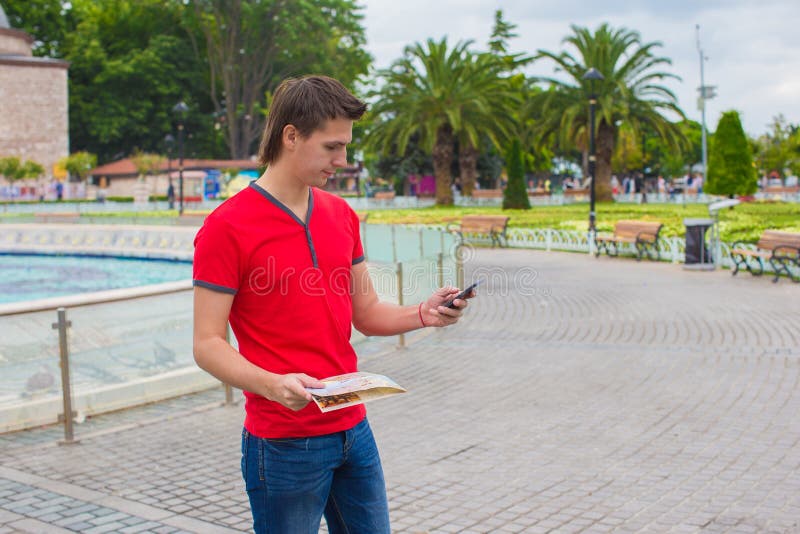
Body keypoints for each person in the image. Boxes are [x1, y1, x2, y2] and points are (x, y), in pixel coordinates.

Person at [192, 75, 471, 534]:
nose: (342, 161)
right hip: (283, 442)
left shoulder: (341, 215)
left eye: (346, 148)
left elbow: (366, 313)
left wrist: (423, 313)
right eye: (332, 147)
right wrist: (271, 384)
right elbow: (206, 343)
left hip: (353, 430)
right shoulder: (227, 227)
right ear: (291, 136)